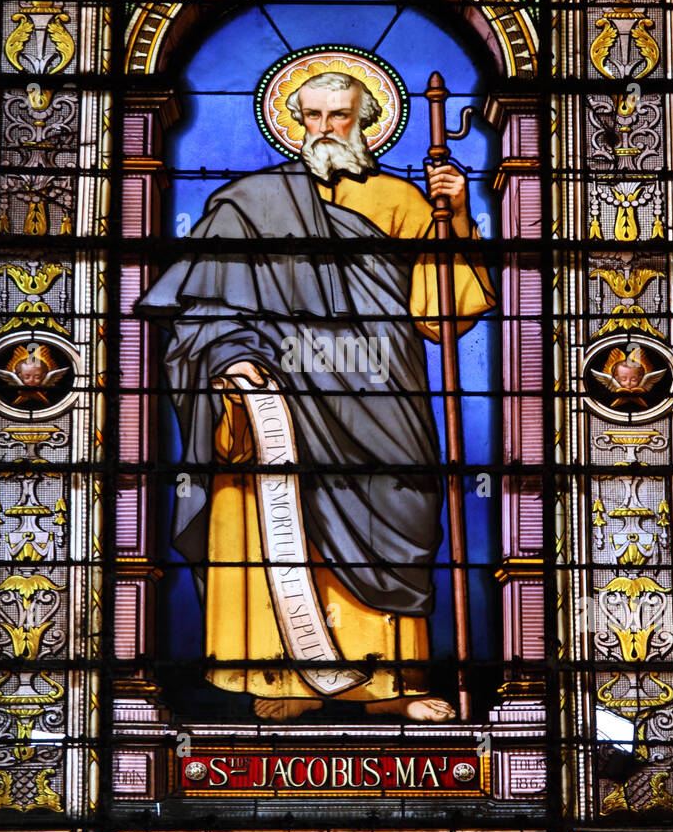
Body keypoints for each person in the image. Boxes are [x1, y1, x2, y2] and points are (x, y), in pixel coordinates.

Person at [136, 70, 494, 721]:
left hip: (383, 396)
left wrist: (458, 214)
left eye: (340, 116)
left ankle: (388, 684)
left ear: (370, 120)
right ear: (293, 119)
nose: (325, 129)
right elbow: (203, 309)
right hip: (276, 395)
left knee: (393, 510)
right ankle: (281, 679)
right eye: (313, 116)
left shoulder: (405, 203)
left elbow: (441, 318)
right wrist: (232, 362)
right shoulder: (249, 203)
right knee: (269, 504)